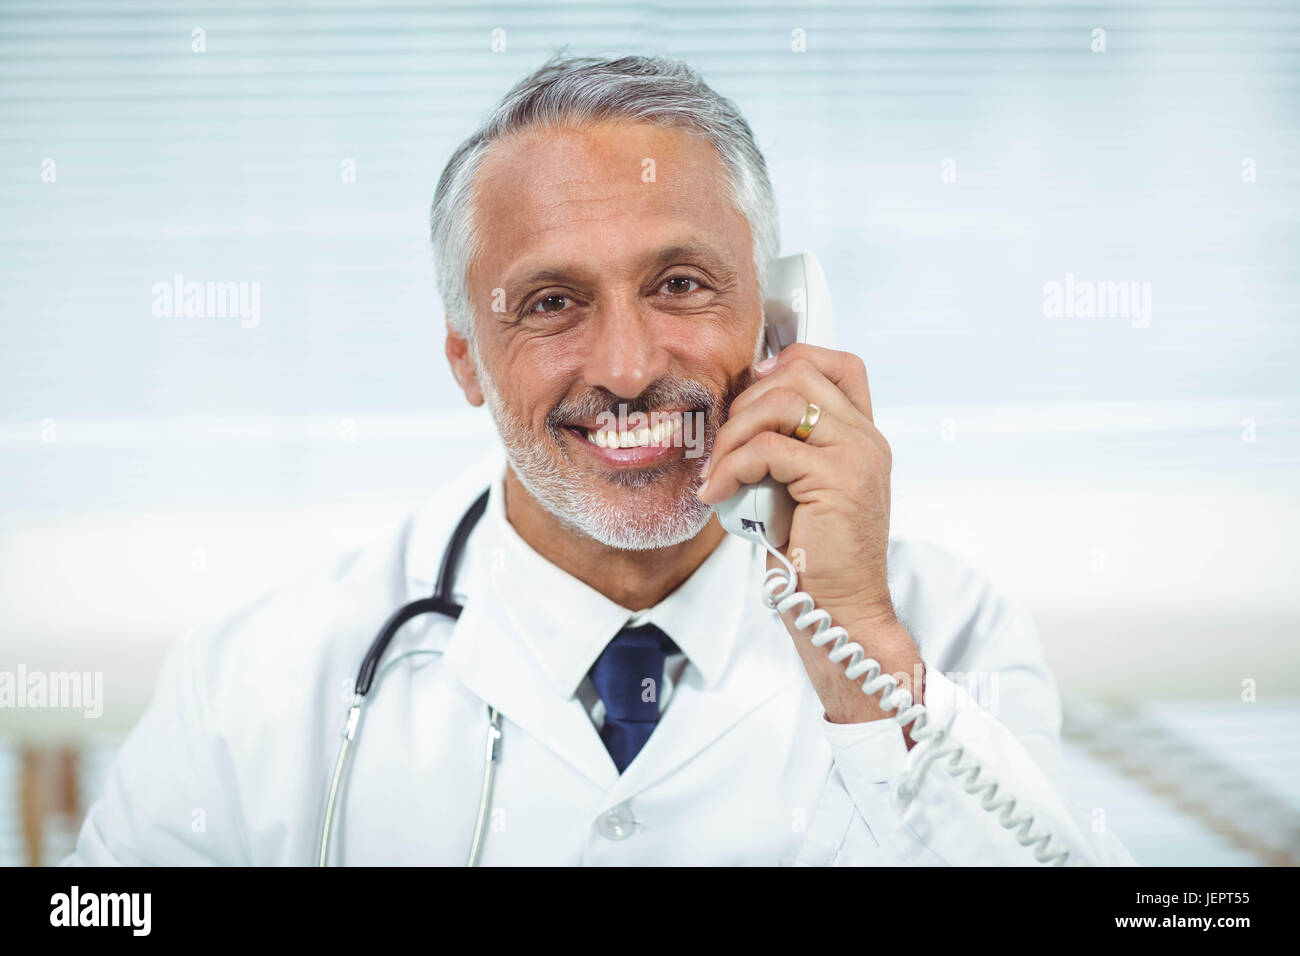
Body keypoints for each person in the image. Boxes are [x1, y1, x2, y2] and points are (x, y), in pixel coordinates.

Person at [66, 53, 1135, 866]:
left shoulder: (941, 633)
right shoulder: (255, 686)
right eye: (551, 303)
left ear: (777, 317)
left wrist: (858, 655)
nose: (625, 368)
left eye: (679, 283)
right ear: (466, 360)